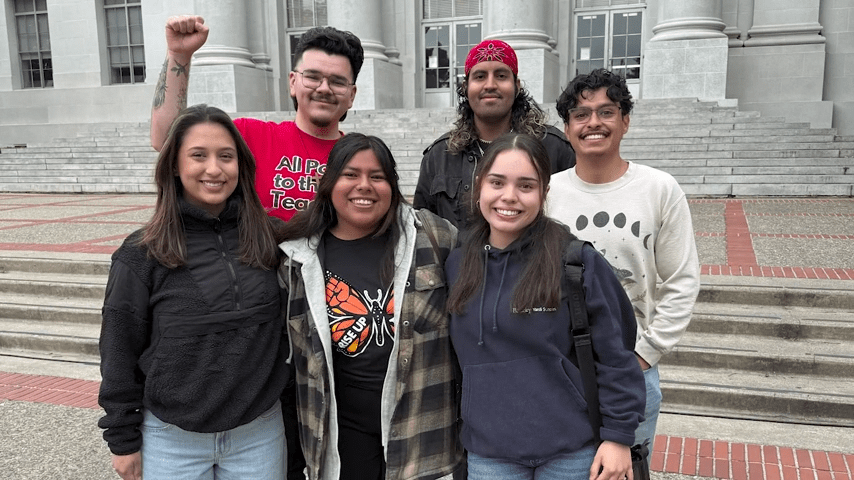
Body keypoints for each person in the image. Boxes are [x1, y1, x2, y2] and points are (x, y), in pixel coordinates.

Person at [98, 104, 290, 480]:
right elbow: (118, 349)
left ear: (242, 165)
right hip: (171, 440)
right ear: (174, 164)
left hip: (259, 435)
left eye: (226, 156)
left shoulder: (272, 237)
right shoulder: (141, 253)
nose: (214, 169)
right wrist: (122, 440)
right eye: (198, 155)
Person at [446, 132, 644, 480]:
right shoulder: (456, 264)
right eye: (497, 182)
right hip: (490, 453)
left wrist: (618, 437)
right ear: (479, 187)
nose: (509, 196)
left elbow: (616, 355)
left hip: (571, 451)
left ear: (544, 192)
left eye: (526, 186)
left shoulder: (575, 261)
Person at [276, 133, 464, 480]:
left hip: (422, 429)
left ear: (392, 185)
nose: (364, 185)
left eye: (377, 176)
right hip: (342, 432)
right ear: (329, 183)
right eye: (350, 174)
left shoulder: (435, 237)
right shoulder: (297, 259)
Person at [547, 68, 701, 458]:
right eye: (581, 114)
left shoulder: (659, 189)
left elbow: (682, 279)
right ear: (567, 128)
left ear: (625, 121)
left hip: (632, 370)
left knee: (627, 468)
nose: (593, 123)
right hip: (562, 370)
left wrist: (647, 352)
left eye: (606, 112)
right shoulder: (548, 192)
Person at [150, 15, 364, 221]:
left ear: (352, 95)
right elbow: (166, 140)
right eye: (312, 77)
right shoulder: (251, 136)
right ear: (292, 83)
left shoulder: (362, 159)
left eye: (337, 82)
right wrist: (179, 55)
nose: (324, 88)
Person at [414, 39, 575, 229]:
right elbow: (424, 229)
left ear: (516, 85)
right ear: (466, 87)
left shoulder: (553, 148)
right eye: (480, 76)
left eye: (501, 76)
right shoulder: (440, 155)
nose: (490, 85)